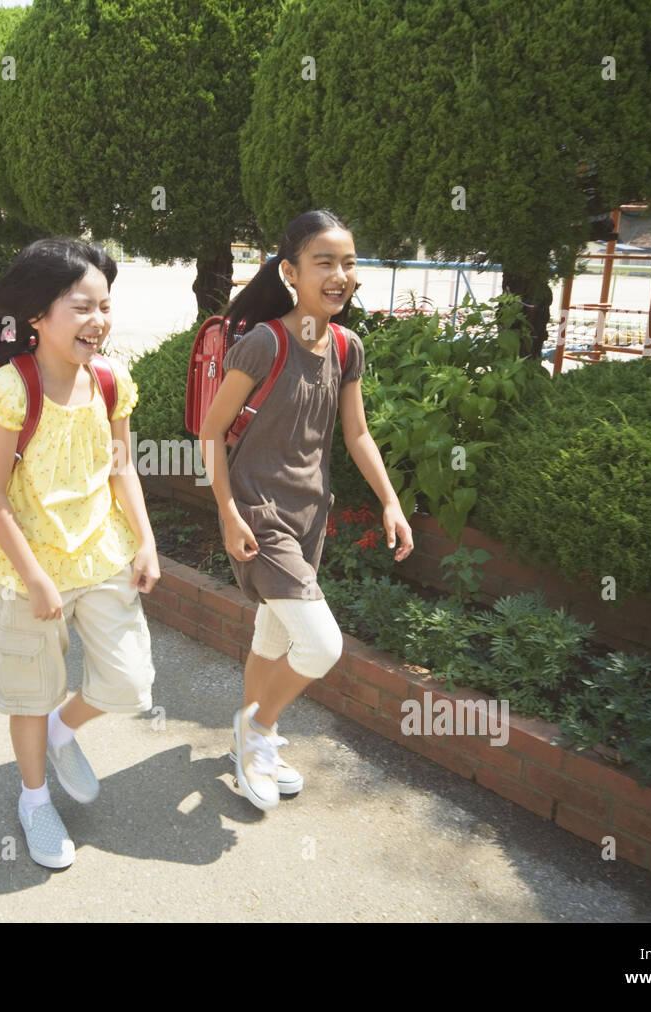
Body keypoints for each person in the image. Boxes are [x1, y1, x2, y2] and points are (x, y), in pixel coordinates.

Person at [199, 209, 414, 812]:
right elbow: (211, 432)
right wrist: (226, 511)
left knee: (273, 633)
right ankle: (258, 730)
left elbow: (358, 436)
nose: (339, 274)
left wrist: (391, 503)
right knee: (321, 645)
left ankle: (249, 745)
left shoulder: (347, 346)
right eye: (324, 262)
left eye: (348, 262)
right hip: (259, 512)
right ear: (291, 271)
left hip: (309, 514)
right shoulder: (264, 342)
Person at [0, 238, 160, 869]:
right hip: (28, 571)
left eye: (105, 305)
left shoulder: (110, 380)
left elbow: (122, 467)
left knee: (129, 681)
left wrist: (147, 541)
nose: (98, 320)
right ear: (38, 315)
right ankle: (35, 798)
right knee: (29, 695)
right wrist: (36, 578)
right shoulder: (9, 391)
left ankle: (64, 733)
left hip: (101, 554)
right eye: (81, 306)